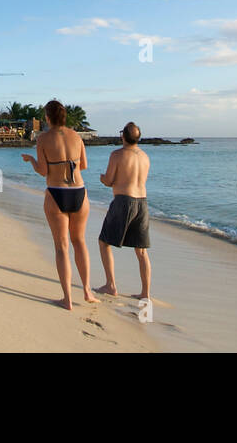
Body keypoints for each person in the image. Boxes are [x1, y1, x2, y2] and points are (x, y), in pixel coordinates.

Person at [21, 99, 99, 310]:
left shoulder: (43, 138)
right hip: (79, 193)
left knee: (62, 246)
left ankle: (67, 299)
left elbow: (43, 171)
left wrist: (31, 160)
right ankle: (87, 291)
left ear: (47, 118)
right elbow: (84, 165)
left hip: (56, 193)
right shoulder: (76, 136)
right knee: (80, 242)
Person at [97, 122, 152, 301]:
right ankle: (145, 293)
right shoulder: (145, 157)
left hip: (123, 201)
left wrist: (102, 179)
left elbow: (110, 180)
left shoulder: (117, 154)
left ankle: (110, 285)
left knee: (104, 242)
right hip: (142, 202)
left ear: (123, 136)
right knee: (141, 251)